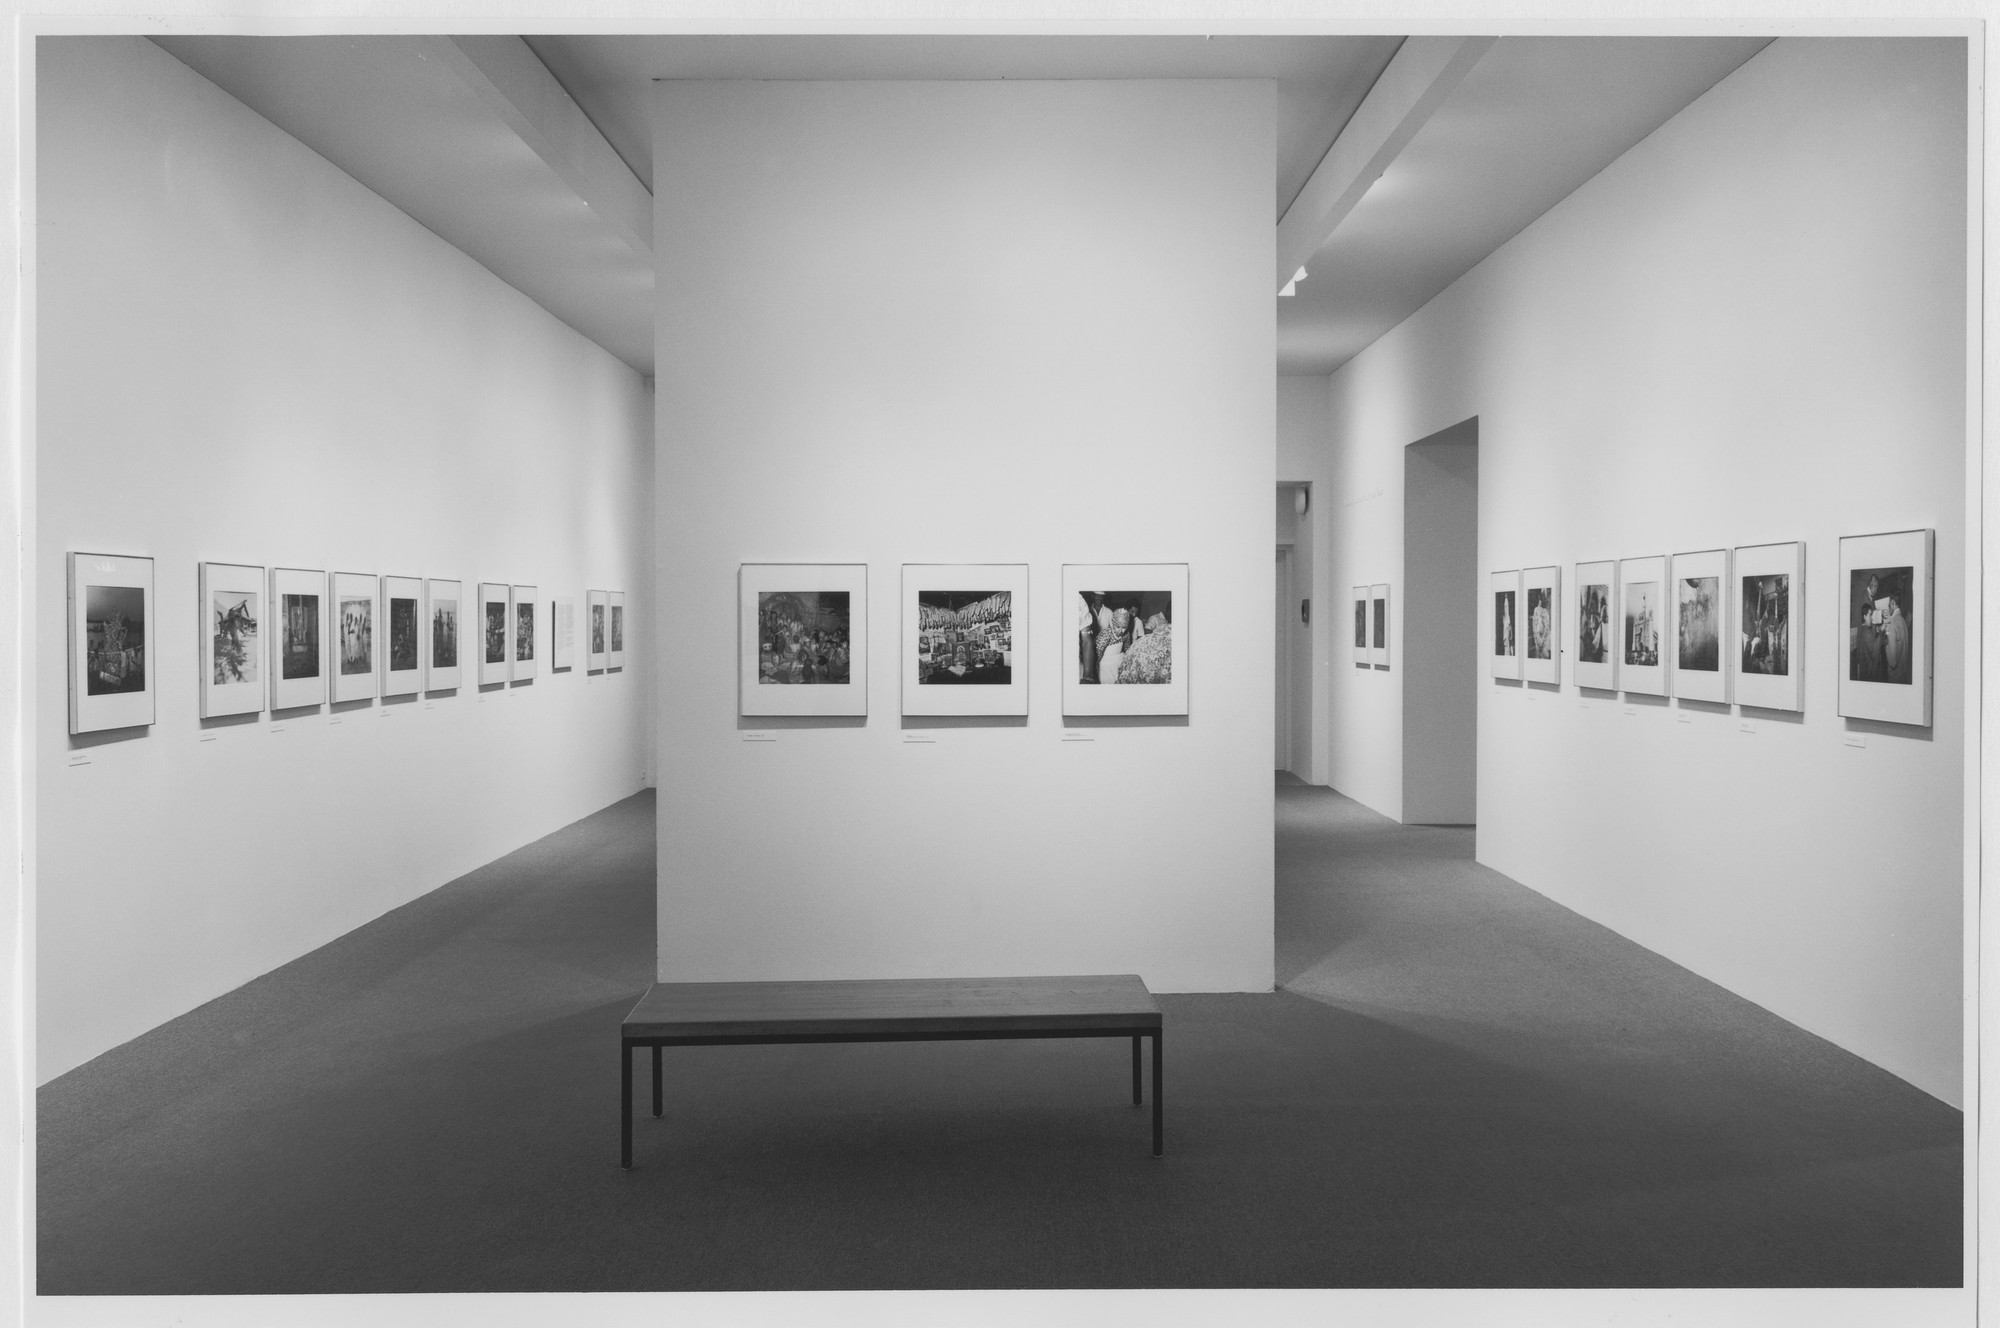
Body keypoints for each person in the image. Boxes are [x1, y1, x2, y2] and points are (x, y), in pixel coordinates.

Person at [1098, 606, 1134, 684]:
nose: (1121, 631)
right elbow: (1098, 653)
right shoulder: (1106, 634)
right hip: (1106, 664)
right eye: (1117, 627)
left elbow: (1127, 649)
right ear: (1112, 623)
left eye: (1124, 627)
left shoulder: (1126, 634)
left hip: (1118, 660)